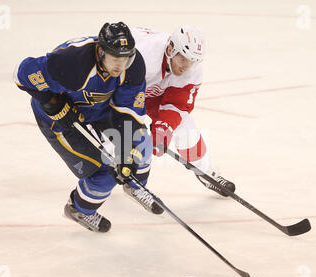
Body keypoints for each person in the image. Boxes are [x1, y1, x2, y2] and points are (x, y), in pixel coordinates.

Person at [14, 22, 162, 233]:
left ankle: (134, 184)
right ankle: (79, 209)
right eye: (115, 58)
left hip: (99, 112)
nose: (121, 65)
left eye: (125, 58)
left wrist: (124, 153)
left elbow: (128, 111)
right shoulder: (72, 63)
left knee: (141, 143)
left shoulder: (134, 65)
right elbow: (22, 73)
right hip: (61, 122)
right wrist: (51, 102)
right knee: (105, 172)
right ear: (101, 52)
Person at [130, 26, 235, 197]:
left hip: (154, 92)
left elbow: (178, 104)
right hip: (125, 88)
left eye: (192, 61)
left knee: (185, 130)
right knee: (121, 129)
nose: (187, 66)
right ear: (170, 50)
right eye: (183, 60)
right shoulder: (144, 56)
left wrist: (163, 128)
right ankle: (118, 171)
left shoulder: (192, 69)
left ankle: (205, 171)